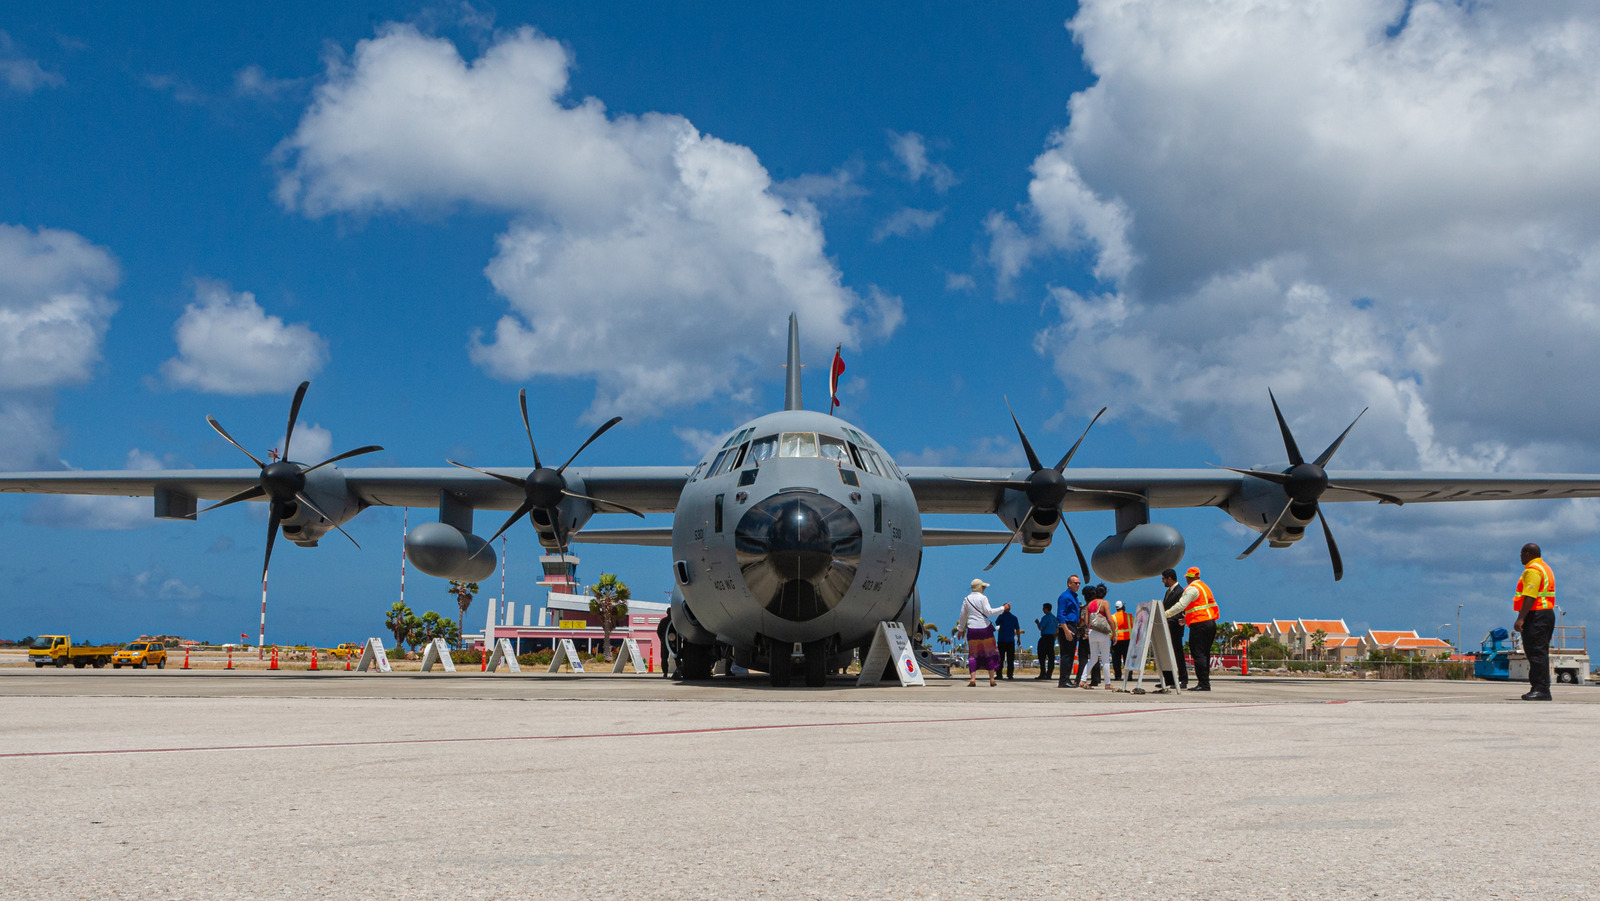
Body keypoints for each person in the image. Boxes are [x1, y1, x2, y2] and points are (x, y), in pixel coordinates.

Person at [1163, 566, 1219, 691]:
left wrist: (1165, 614)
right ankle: (1205, 681)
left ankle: (1204, 683)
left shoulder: (1192, 589)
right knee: (1205, 654)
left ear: (1189, 577)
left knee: (1198, 653)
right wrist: (1186, 619)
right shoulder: (1204, 587)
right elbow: (1201, 607)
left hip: (1199, 625)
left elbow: (1181, 605)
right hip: (1210, 623)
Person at [1513, 542, 1556, 701]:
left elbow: (1530, 596)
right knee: (1539, 652)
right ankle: (1540, 688)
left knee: (1536, 653)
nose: (1520, 558)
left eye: (1521, 554)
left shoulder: (1533, 570)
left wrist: (1521, 618)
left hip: (1536, 615)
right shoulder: (1545, 567)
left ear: (1528, 554)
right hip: (1545, 614)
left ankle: (1541, 689)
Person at [961, 578, 1011, 687]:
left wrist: (960, 629)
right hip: (984, 629)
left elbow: (963, 616)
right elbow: (989, 612)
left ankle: (973, 679)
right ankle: (992, 679)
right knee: (989, 653)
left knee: (973, 654)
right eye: (983, 587)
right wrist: (1004, 607)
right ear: (980, 588)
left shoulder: (966, 599)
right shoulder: (983, 598)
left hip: (972, 629)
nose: (984, 589)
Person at [1078, 585, 1117, 690]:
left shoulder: (1090, 604)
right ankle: (1108, 683)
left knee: (1093, 659)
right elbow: (1109, 619)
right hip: (1102, 633)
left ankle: (1082, 680)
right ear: (1105, 593)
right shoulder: (1105, 603)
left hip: (1092, 632)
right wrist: (1114, 633)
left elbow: (1086, 622)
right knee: (1105, 660)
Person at [1159, 568, 1188, 689]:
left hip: (1175, 627)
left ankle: (1183, 679)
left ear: (1169, 578)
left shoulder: (1180, 591)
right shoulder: (1169, 591)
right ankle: (1169, 679)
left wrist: (1169, 619)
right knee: (1167, 653)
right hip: (1167, 627)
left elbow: (1180, 610)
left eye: (1164, 579)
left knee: (1178, 653)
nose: (1163, 582)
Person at [1056, 574, 1082, 687]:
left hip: (1073, 625)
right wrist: (1066, 630)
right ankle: (1063, 680)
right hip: (1067, 626)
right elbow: (1061, 615)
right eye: (1075, 583)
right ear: (1069, 584)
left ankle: (1067, 678)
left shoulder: (1074, 597)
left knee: (1070, 654)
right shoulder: (1065, 597)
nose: (1078, 585)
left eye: (1079, 583)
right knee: (1066, 654)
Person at [995, 604, 1020, 680]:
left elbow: (997, 623)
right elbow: (1017, 629)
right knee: (1010, 659)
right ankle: (1010, 674)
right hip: (1010, 640)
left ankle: (999, 674)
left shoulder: (1001, 616)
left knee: (1000, 658)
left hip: (1002, 640)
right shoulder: (1014, 618)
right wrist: (1019, 639)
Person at [1034, 603, 1058, 680]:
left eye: (1043, 608)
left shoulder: (1045, 617)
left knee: (1042, 656)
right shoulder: (1054, 618)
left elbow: (1041, 628)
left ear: (1046, 609)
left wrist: (1037, 623)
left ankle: (1043, 673)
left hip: (1045, 637)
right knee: (1051, 656)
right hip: (1052, 638)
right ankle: (1049, 673)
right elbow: (1057, 629)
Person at [1110, 600, 1132, 682]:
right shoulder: (1129, 616)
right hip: (1127, 640)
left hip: (1116, 641)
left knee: (1116, 660)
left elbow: (1110, 630)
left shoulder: (1113, 617)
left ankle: (1118, 676)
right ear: (1123, 607)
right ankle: (1129, 675)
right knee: (1127, 659)